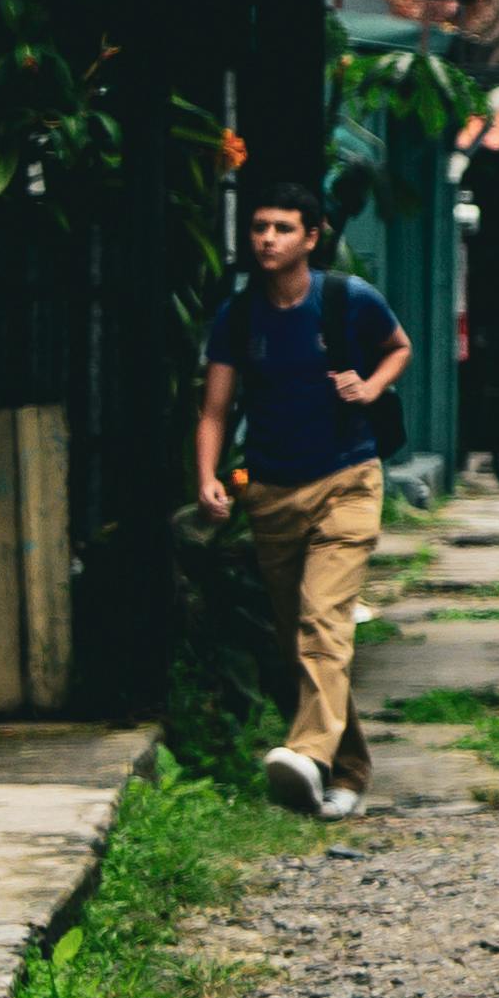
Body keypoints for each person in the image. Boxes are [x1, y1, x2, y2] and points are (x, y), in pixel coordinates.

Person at [195, 183, 410, 818]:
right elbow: (214, 409)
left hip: (347, 481)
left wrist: (370, 388)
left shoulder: (347, 298)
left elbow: (399, 347)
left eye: (283, 228)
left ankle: (308, 755)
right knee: (304, 641)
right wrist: (208, 474)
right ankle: (345, 774)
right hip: (270, 492)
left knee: (323, 621)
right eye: (260, 226)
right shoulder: (238, 316)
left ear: (311, 237)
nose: (267, 238)